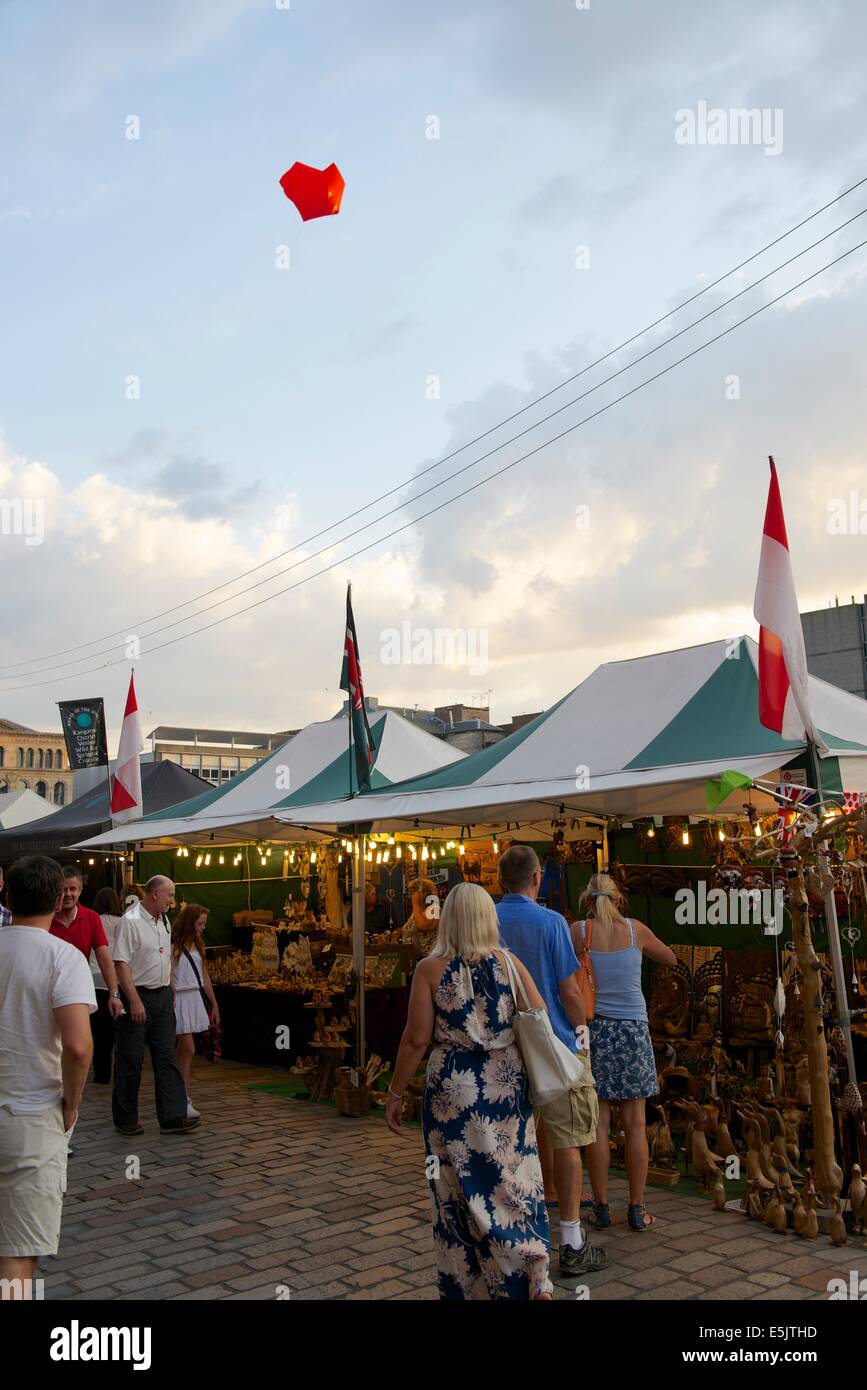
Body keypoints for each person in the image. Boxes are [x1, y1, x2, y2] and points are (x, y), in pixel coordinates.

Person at [386, 882, 553, 1300]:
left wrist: (394, 1092)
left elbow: (416, 1039)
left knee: (457, 1190)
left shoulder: (430, 968)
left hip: (453, 1093)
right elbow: (540, 1015)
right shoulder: (510, 965)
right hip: (507, 1086)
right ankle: (531, 1274)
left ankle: (469, 1284)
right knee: (514, 1178)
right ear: (487, 918)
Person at [495, 844, 609, 1275]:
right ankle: (572, 1241)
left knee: (509, 1143)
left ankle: (514, 1235)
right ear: (537, 878)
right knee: (568, 1142)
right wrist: (582, 1034)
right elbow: (570, 990)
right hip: (555, 1043)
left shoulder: (488, 919)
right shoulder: (552, 922)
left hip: (503, 1044)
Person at [0, 856, 95, 1295]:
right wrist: (72, 1103)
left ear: (6, 895)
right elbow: (77, 1046)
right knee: (17, 1253)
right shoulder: (64, 957)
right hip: (31, 1115)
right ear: (59, 900)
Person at [575, 873, 677, 1232]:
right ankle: (636, 1209)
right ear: (618, 901)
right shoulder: (637, 931)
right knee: (635, 1124)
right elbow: (671, 959)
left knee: (598, 1124)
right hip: (633, 1031)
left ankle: (601, 1209)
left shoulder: (580, 932)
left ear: (588, 902)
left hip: (595, 1031)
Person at [111, 875, 199, 1135]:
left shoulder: (165, 921)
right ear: (154, 894)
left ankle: (172, 1116)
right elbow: (121, 962)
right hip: (137, 993)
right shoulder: (131, 921)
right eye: (169, 894)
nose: (173, 900)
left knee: (166, 1057)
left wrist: (170, 989)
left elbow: (164, 959)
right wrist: (134, 999)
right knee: (131, 1059)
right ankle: (125, 1118)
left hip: (161, 996)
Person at [51, 870, 124, 1076]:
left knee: (77, 1046)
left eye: (72, 889)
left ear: (81, 890)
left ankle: (71, 1090)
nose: (67, 894)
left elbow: (104, 957)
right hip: (48, 991)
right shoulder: (46, 916)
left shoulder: (91, 918)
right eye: (62, 890)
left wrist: (114, 993)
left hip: (77, 992)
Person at [170, 903, 219, 1119]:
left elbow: (204, 976)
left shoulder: (198, 945)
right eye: (200, 924)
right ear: (190, 923)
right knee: (187, 1049)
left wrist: (214, 1003)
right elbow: (169, 973)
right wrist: (171, 994)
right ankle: (181, 1097)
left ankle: (180, 1095)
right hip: (179, 997)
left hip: (193, 996)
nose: (202, 928)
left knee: (184, 1050)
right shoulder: (175, 947)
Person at [89, 887, 125, 1084]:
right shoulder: (122, 923)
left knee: (99, 1031)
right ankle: (118, 1072)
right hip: (116, 979)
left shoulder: (93, 921)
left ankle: (101, 1073)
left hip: (94, 977)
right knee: (117, 1030)